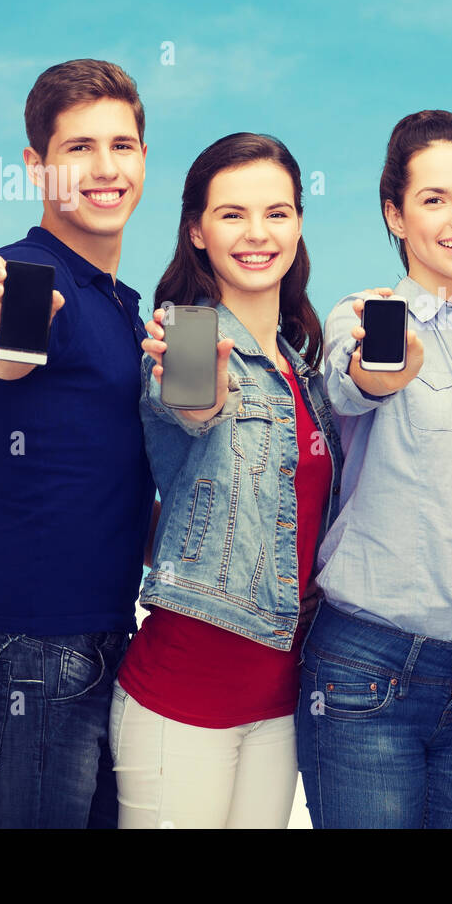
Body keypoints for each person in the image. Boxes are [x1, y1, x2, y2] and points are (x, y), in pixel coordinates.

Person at [297, 109, 452, 829]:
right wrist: (387, 370)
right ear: (396, 215)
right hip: (368, 673)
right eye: (434, 199)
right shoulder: (366, 316)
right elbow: (353, 381)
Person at [108, 132, 343, 829]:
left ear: (298, 224)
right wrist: (200, 389)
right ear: (197, 230)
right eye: (232, 214)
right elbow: (192, 403)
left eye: (276, 213)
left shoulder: (304, 366)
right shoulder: (185, 336)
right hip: (183, 696)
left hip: (277, 702)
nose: (257, 233)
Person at [0, 59, 155, 829]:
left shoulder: (125, 306)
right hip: (30, 648)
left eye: (123, 146)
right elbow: (9, 350)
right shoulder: (27, 275)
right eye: (79, 149)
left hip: (98, 642)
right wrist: (2, 338)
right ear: (37, 166)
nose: (106, 169)